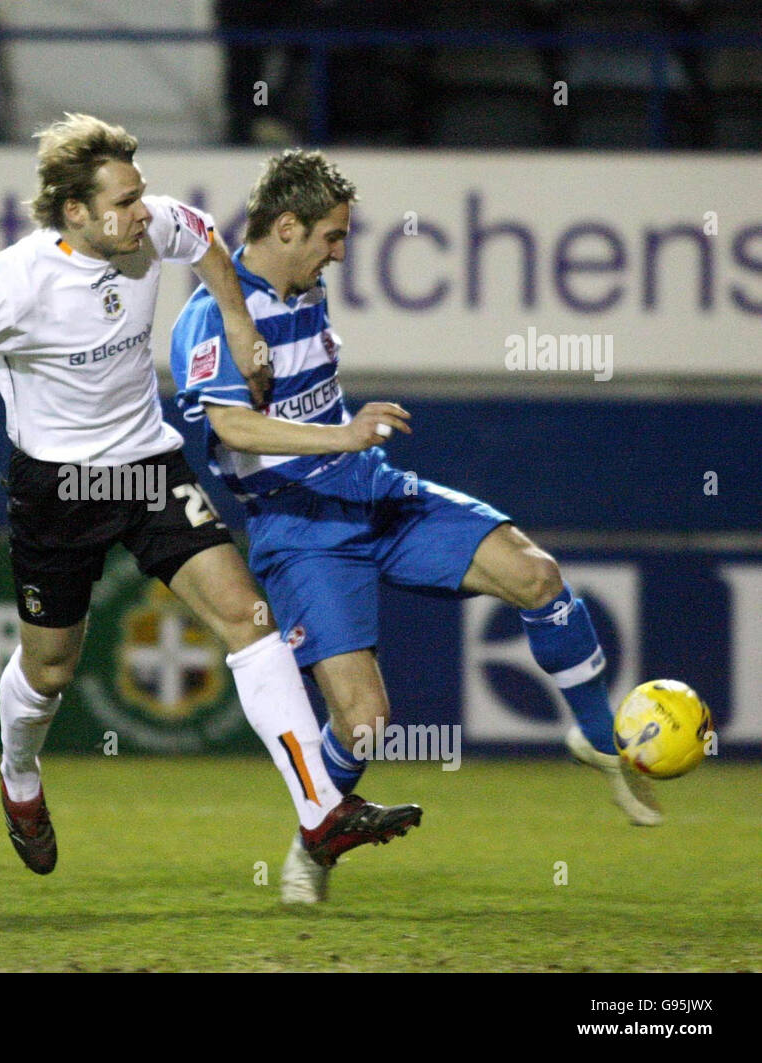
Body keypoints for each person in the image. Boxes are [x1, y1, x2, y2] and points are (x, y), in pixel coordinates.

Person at [0, 113, 421, 882]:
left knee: (248, 617)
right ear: (75, 213)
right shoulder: (9, 285)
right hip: (57, 487)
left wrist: (237, 320)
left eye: (141, 193)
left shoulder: (152, 227)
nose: (144, 210)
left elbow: (207, 244)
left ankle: (319, 813)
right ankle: (20, 776)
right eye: (124, 201)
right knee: (52, 671)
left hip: (148, 468)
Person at [169, 148, 663, 904]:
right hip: (300, 529)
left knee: (537, 574)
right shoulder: (209, 318)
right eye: (332, 237)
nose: (341, 253)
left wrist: (347, 445)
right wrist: (343, 433)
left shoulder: (305, 285)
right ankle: (313, 844)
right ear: (289, 226)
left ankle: (601, 743)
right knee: (364, 724)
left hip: (374, 492)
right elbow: (234, 428)